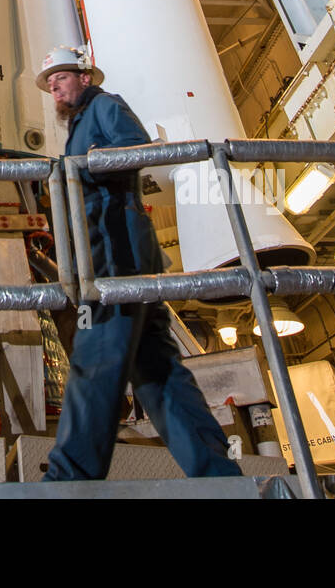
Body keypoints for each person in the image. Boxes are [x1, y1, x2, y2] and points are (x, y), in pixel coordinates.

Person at [37, 45, 241, 481]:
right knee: (156, 369)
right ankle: (216, 474)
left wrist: (87, 167)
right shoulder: (77, 125)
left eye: (61, 78)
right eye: (50, 83)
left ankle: (68, 479)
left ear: (86, 77)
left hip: (117, 250)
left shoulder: (105, 106)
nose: (54, 86)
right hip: (115, 248)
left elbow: (135, 149)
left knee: (97, 351)